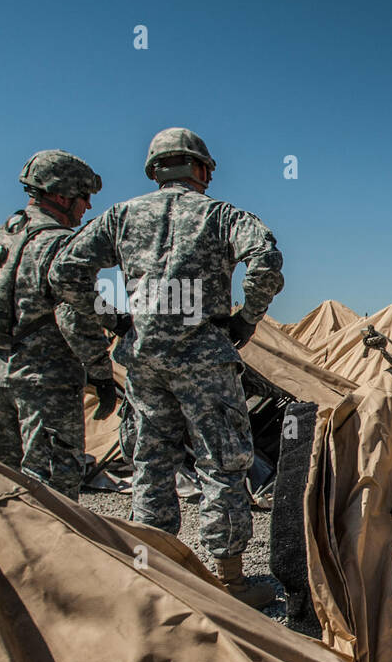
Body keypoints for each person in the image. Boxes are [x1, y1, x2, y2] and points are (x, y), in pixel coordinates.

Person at [50, 127, 284, 608]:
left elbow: (65, 271)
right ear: (202, 170)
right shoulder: (221, 216)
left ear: (154, 170)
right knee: (222, 461)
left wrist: (111, 317)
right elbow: (266, 260)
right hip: (204, 359)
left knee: (151, 463)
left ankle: (154, 579)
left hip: (143, 359)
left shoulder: (120, 217)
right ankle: (231, 582)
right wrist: (246, 319)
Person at [0, 150, 116, 497]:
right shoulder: (61, 243)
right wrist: (99, 370)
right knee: (50, 487)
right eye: (84, 197)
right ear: (62, 194)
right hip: (43, 383)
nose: (88, 208)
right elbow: (73, 314)